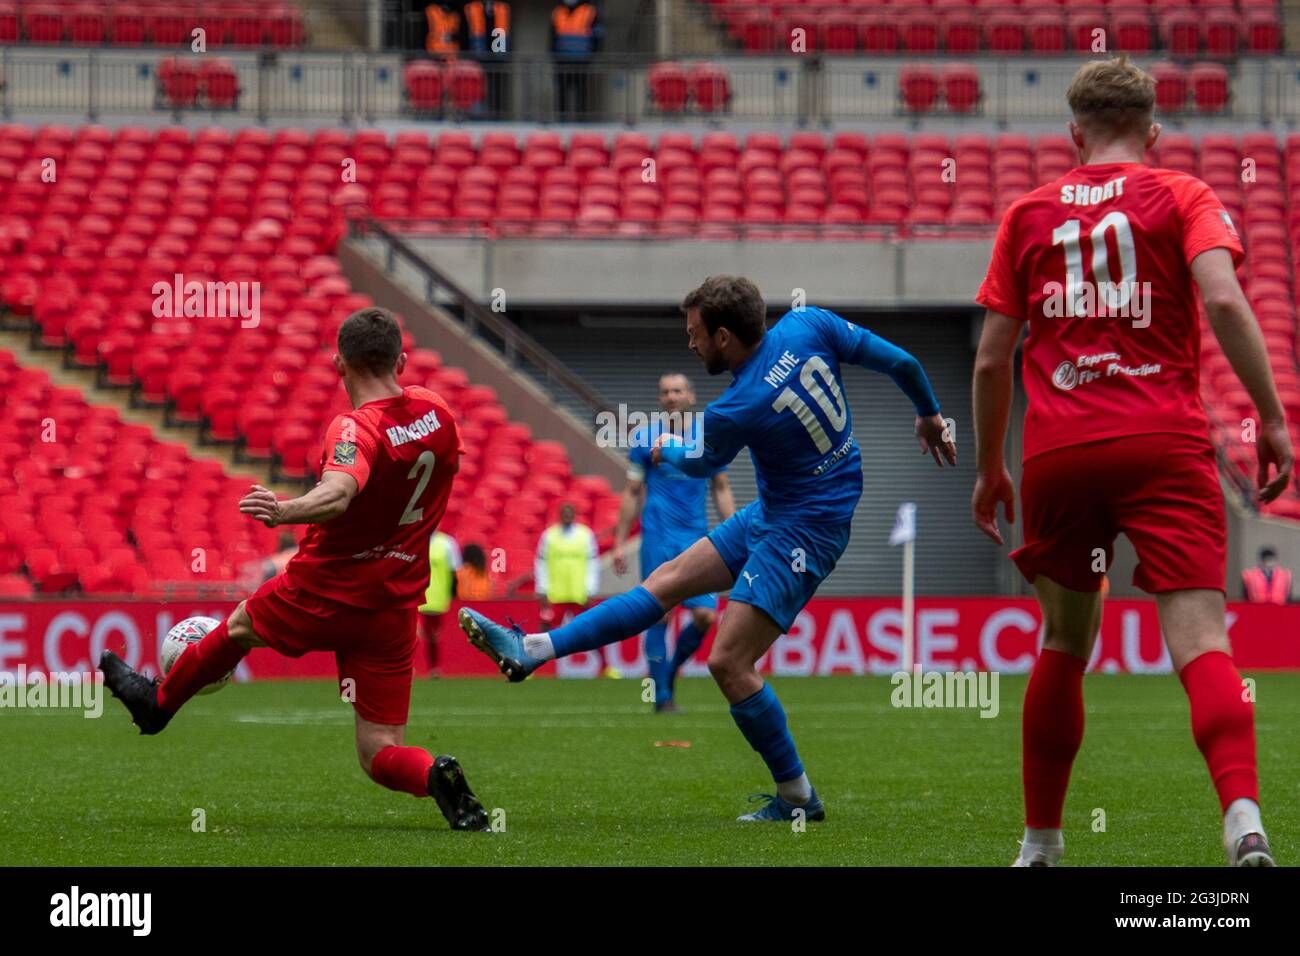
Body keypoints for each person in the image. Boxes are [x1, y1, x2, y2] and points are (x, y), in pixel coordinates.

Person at [461, 275, 954, 822]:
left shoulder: (738, 405)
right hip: (778, 509)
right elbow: (904, 363)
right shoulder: (809, 323)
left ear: (723, 336)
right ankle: (533, 649)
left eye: (695, 334)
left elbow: (697, 463)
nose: (690, 344)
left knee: (728, 662)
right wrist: (929, 414)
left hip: (806, 528)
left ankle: (798, 798)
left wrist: (658, 447)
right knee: (666, 581)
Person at [971, 56, 1294, 867]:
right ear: (1153, 132)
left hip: (1061, 451)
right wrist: (1272, 418)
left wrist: (989, 468)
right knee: (1200, 639)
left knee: (1064, 643)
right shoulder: (1184, 194)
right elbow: (1222, 297)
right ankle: (1243, 821)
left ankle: (1040, 845)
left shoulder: (1026, 213)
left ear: (1073, 134)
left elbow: (988, 361)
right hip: (1163, 443)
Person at [99, 307, 491, 831]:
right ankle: (433, 775)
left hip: (324, 590)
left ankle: (158, 704)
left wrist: (283, 510)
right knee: (380, 751)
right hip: (392, 608)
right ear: (401, 359)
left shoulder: (354, 427)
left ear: (338, 365)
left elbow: (338, 492)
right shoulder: (437, 411)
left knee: (238, 625)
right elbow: (440, 468)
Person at [612, 372, 736, 712]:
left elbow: (721, 488)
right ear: (660, 399)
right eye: (665, 391)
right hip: (657, 538)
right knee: (658, 615)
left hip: (697, 541)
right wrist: (620, 541)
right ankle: (662, 698)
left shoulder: (707, 439)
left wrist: (738, 532)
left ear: (691, 396)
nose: (671, 396)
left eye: (678, 390)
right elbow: (632, 491)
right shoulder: (645, 439)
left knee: (705, 618)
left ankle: (667, 674)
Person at [534, 502, 617, 676]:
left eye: (569, 513)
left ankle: (605, 667)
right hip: (556, 593)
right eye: (564, 513)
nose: (567, 516)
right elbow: (541, 563)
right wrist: (542, 588)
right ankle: (530, 666)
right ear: (559, 515)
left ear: (574, 515)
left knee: (592, 629)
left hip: (579, 593)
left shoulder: (585, 535)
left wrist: (590, 589)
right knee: (545, 631)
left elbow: (592, 563)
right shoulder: (549, 536)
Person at [417, 530, 462, 676]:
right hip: (413, 596)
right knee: (411, 635)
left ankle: (434, 668)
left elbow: (455, 570)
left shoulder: (447, 543)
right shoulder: (413, 538)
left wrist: (453, 593)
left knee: (433, 635)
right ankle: (411, 667)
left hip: (437, 598)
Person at [550, 0, 599, 119]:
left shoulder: (589, 11)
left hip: (581, 60)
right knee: (563, 91)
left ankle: (581, 118)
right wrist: (553, 56)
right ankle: (562, 118)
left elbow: (597, 36)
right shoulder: (557, 12)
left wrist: (592, 55)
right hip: (562, 60)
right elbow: (552, 37)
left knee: (581, 90)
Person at [462, 0, 511, 117]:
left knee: (496, 86)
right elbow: (465, 33)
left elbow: (506, 32)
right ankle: (478, 114)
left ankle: (497, 113)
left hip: (498, 55)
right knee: (477, 87)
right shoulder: (473, 8)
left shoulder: (502, 8)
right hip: (478, 55)